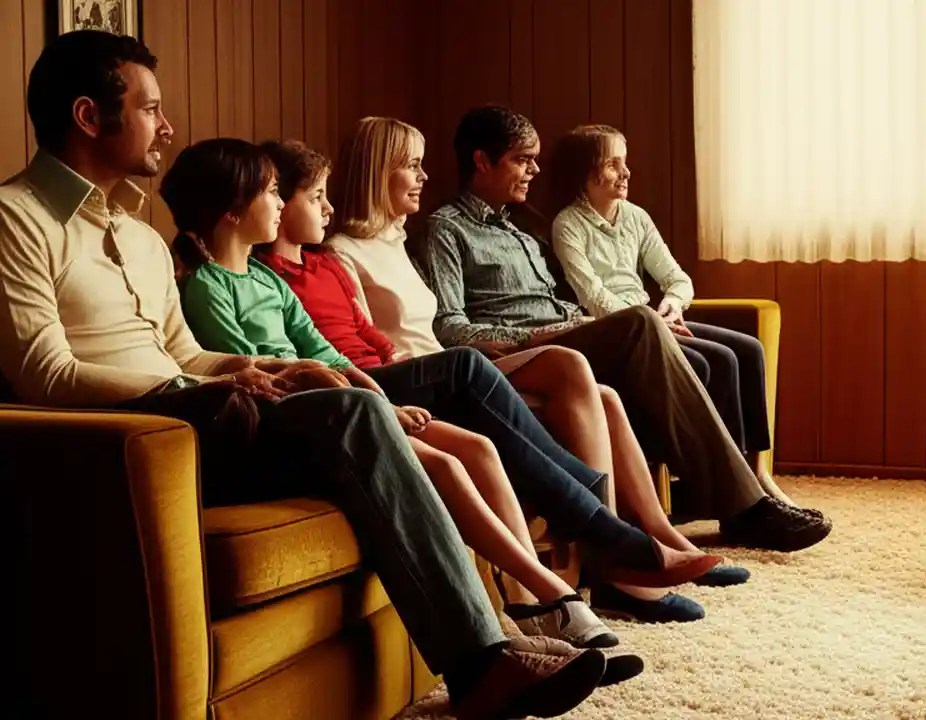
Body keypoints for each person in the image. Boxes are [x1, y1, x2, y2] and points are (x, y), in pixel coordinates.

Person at [0, 30, 608, 719]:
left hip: (203, 415)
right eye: (149, 109)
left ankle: (498, 637)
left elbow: (182, 351)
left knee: (351, 397)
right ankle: (484, 657)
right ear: (88, 117)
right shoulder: (16, 219)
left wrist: (267, 366)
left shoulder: (140, 237)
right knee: (359, 412)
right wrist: (203, 387)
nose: (166, 126)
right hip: (128, 444)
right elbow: (44, 373)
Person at [161, 137, 693, 649]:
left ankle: (543, 601)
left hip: (357, 390)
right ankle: (584, 551)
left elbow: (329, 351)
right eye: (275, 193)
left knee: (479, 446)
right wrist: (373, 397)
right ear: (233, 210)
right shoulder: (208, 287)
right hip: (309, 410)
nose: (285, 204)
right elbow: (265, 373)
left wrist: (379, 395)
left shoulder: (270, 280)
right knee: (464, 380)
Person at [318, 118, 730, 620]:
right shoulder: (346, 254)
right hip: (428, 377)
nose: (424, 176)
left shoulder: (399, 241)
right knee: (581, 353)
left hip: (455, 367)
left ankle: (643, 543)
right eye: (411, 166)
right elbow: (376, 344)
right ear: (377, 171)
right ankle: (619, 553)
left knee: (604, 393)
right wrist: (534, 337)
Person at [414, 105, 832, 552]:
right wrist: (536, 336)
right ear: (481, 161)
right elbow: (450, 327)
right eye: (521, 159)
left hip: (570, 330)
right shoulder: (446, 229)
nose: (534, 170)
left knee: (696, 340)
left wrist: (587, 323)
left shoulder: (523, 228)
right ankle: (745, 509)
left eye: (534, 160)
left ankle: (739, 497)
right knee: (640, 319)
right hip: (534, 350)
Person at [549, 124, 772, 470]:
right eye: (612, 164)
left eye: (625, 162)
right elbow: (593, 296)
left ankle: (756, 472)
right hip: (619, 328)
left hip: (653, 318)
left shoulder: (636, 217)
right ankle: (723, 474)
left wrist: (673, 304)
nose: (626, 173)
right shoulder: (567, 225)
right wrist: (651, 322)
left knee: (749, 349)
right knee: (720, 360)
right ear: (586, 173)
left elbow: (677, 278)